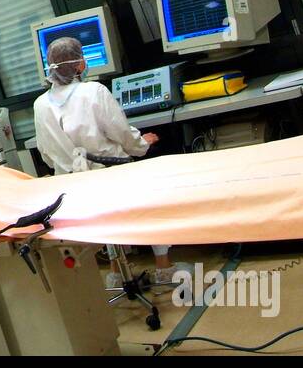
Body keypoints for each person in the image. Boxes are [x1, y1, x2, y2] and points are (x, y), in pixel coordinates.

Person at [33, 36, 188, 286]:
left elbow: (46, 155)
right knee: (149, 199)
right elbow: (122, 134)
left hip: (74, 189)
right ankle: (164, 268)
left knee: (104, 217)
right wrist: (142, 143)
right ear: (80, 65)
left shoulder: (40, 105)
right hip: (112, 178)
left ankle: (117, 272)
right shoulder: (94, 91)